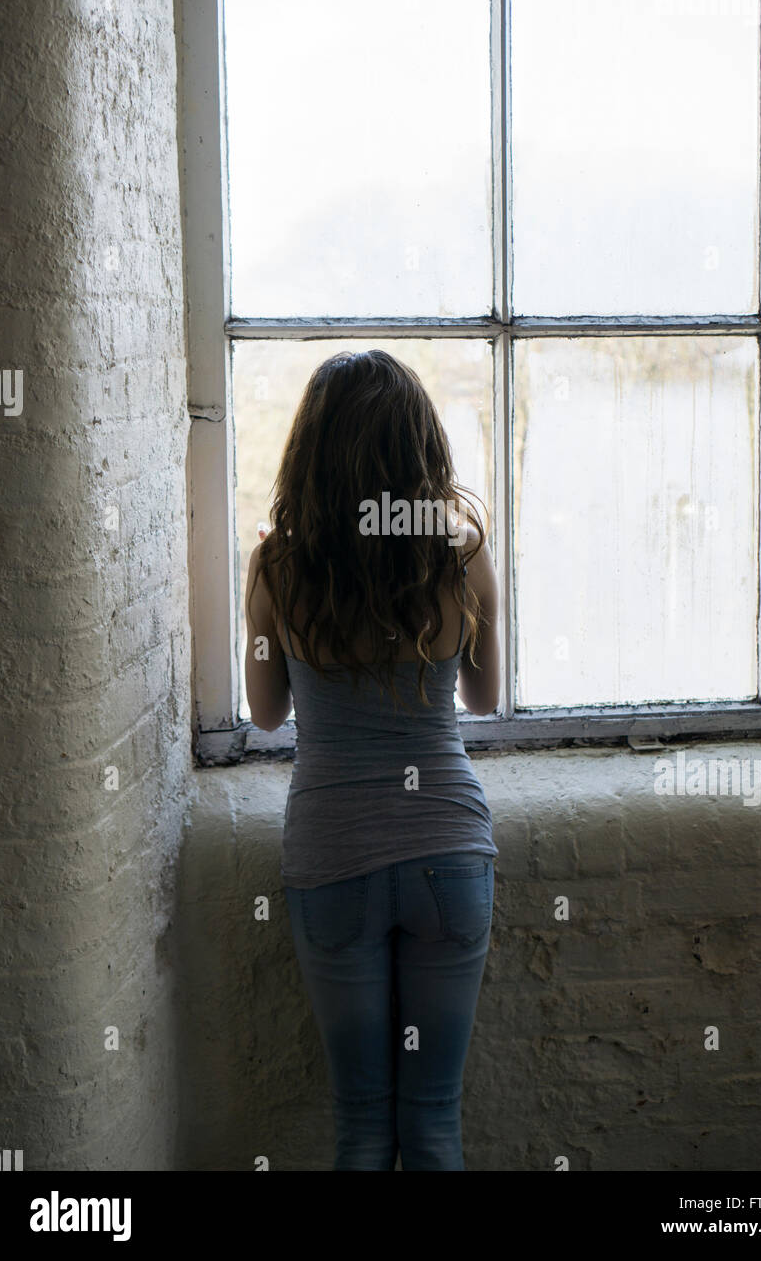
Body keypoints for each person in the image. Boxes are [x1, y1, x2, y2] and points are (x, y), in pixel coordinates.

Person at [244, 349, 501, 1171]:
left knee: (361, 1126)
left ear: (309, 454)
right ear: (419, 446)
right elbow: (485, 698)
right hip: (449, 855)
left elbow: (266, 712)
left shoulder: (278, 566)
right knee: (433, 1122)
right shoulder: (459, 555)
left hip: (333, 855)